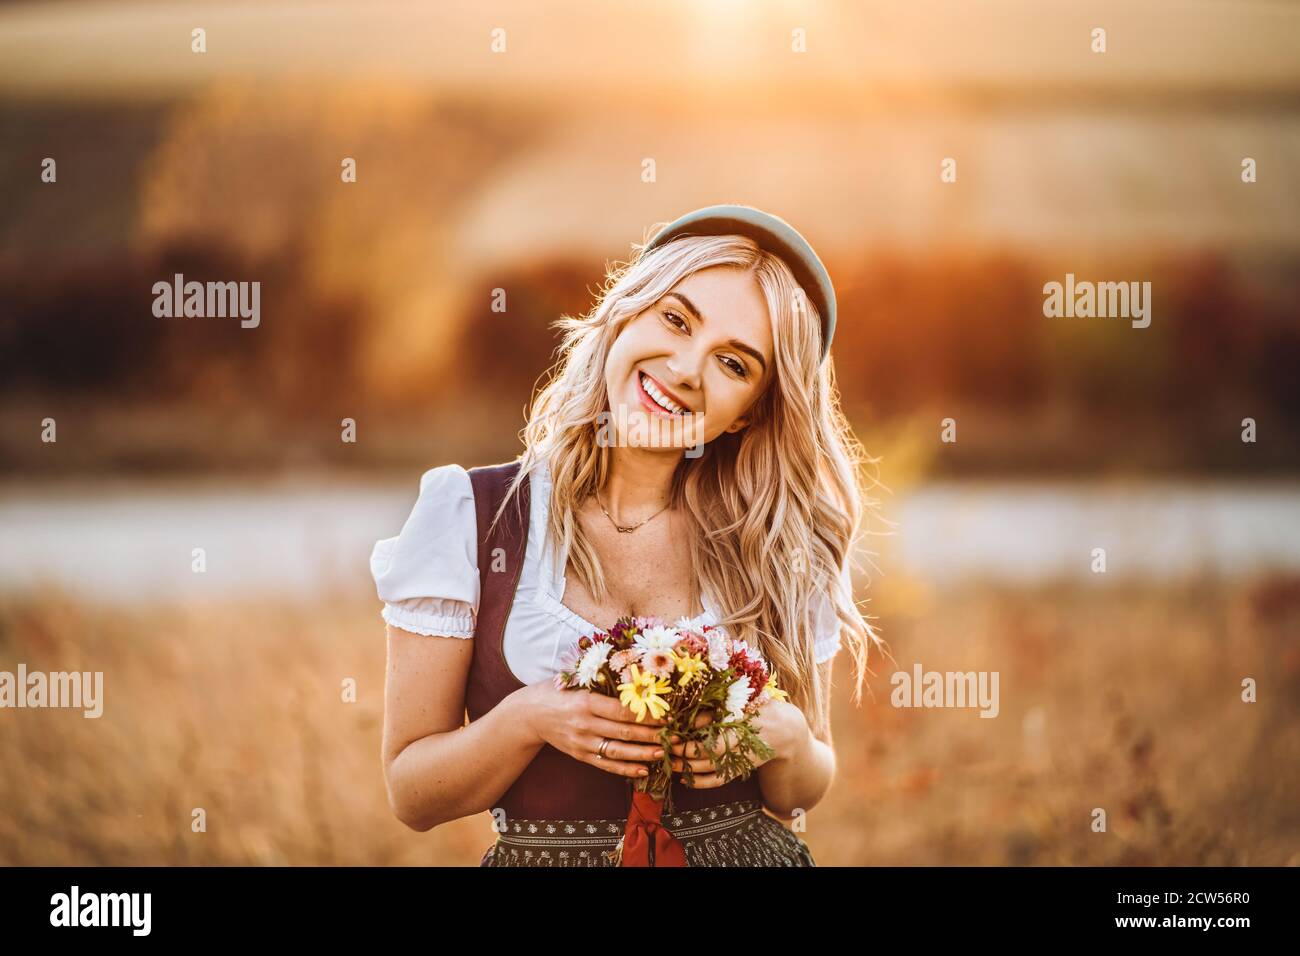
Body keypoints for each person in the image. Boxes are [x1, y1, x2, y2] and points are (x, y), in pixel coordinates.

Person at [371, 204, 885, 866]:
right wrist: (529, 719)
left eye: (734, 363)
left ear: (746, 415)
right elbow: (412, 795)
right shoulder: (471, 514)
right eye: (675, 319)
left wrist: (786, 739)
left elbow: (800, 792)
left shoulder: (778, 543)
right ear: (625, 313)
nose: (685, 369)